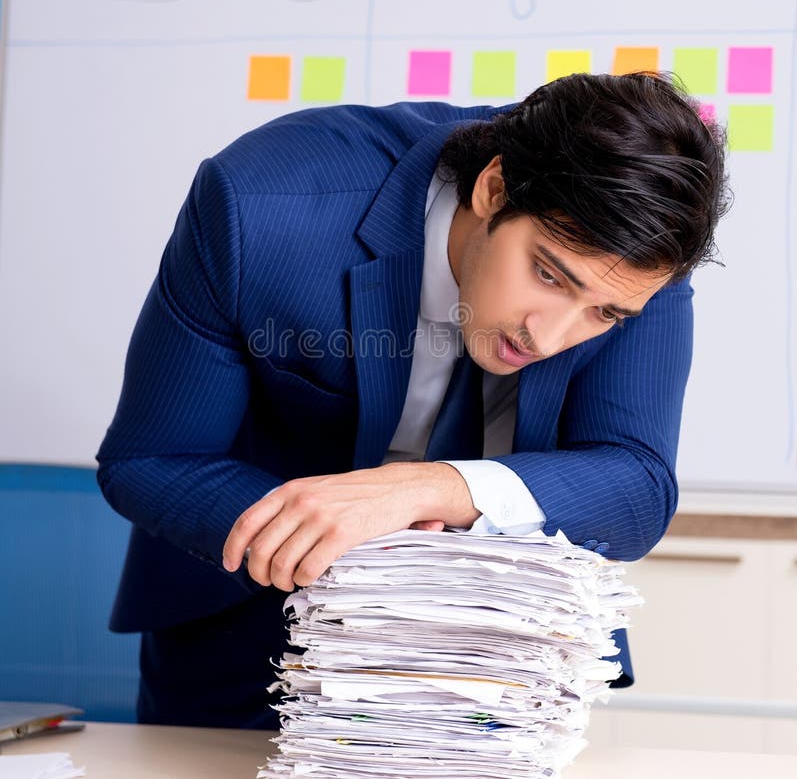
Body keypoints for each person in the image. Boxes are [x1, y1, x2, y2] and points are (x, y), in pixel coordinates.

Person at [96, 71, 729, 729]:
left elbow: (634, 480)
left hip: (497, 648)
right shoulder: (261, 205)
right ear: (492, 189)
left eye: (603, 315)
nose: (551, 336)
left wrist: (427, 490)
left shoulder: (635, 260)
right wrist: (335, 535)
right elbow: (153, 457)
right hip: (250, 625)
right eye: (545, 274)